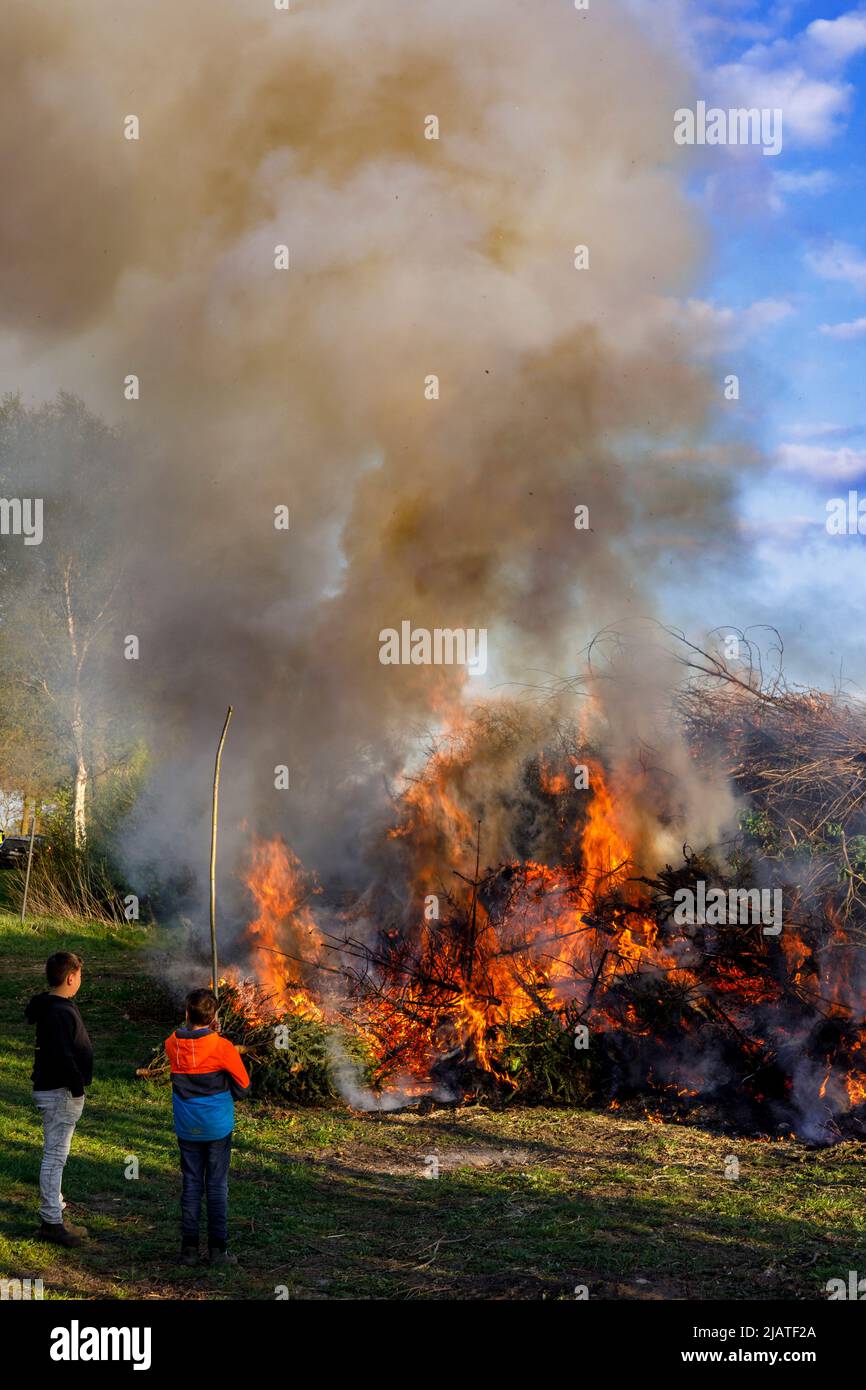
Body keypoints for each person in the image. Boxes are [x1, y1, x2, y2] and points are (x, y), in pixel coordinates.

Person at [165, 988, 250, 1266]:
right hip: (217, 1127)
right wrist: (216, 1035)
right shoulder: (222, 1047)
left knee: (191, 1184)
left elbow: (184, 1037)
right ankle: (218, 1251)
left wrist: (206, 1031)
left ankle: (188, 1250)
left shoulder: (171, 1044)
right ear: (214, 1017)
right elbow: (244, 1086)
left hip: (187, 1127)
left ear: (186, 1013)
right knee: (216, 1185)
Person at [25, 951, 93, 1247]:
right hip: (60, 1092)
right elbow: (63, 1054)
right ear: (70, 977)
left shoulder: (52, 1006)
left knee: (55, 1154)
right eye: (79, 975)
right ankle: (51, 1222)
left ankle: (57, 1213)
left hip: (55, 1090)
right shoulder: (60, 1012)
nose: (80, 980)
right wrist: (77, 1086)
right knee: (55, 1157)